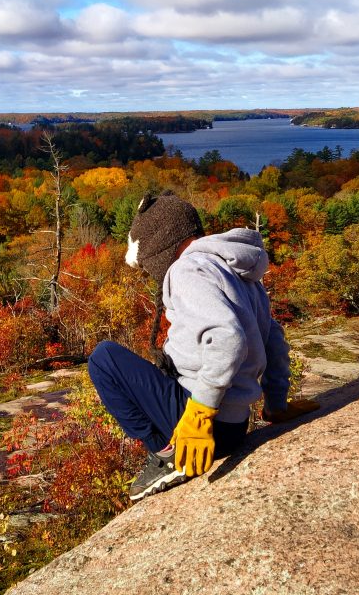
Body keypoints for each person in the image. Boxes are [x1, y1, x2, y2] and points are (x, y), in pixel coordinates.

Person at [88, 191, 318, 502]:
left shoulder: (187, 270)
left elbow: (228, 338)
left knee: (104, 359)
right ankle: (176, 445)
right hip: (233, 426)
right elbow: (273, 340)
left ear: (159, 245)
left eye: (145, 264)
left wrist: (199, 415)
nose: (148, 272)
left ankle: (166, 454)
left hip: (201, 424)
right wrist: (277, 403)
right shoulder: (240, 272)